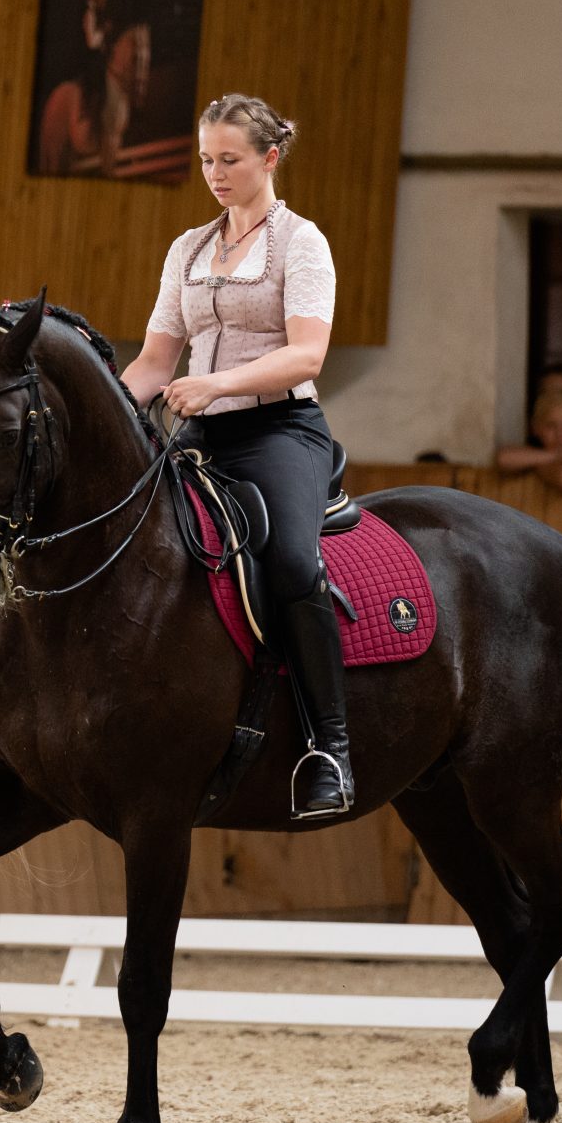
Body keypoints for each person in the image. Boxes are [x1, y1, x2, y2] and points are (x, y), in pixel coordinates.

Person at [119, 93, 352, 819]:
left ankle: (329, 747)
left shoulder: (301, 244)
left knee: (288, 559)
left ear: (269, 157)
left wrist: (217, 381)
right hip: (201, 433)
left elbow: (308, 353)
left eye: (230, 160)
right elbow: (157, 361)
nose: (214, 174)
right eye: (205, 160)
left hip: (280, 430)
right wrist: (107, 412)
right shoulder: (186, 248)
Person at [497, 390, 562, 490]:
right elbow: (503, 458)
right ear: (536, 428)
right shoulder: (537, 447)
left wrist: (537, 460)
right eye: (551, 425)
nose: (559, 434)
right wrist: (558, 455)